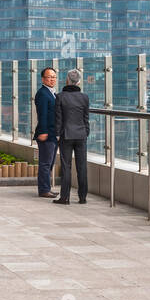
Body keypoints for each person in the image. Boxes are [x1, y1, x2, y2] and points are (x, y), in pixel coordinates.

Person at [54, 68, 90, 204]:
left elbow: (59, 119)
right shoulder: (84, 97)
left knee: (66, 166)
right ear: (79, 81)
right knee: (82, 167)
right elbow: (86, 118)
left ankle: (65, 197)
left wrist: (57, 134)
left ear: (67, 80)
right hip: (81, 135)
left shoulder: (60, 96)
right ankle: (82, 197)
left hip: (66, 135)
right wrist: (86, 132)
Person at [32, 66, 58, 198]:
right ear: (43, 79)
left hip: (53, 134)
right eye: (49, 77)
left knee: (50, 163)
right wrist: (43, 131)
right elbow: (41, 115)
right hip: (46, 134)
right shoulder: (42, 93)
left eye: (54, 77)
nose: (52, 79)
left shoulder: (51, 92)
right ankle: (43, 190)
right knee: (45, 163)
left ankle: (46, 188)